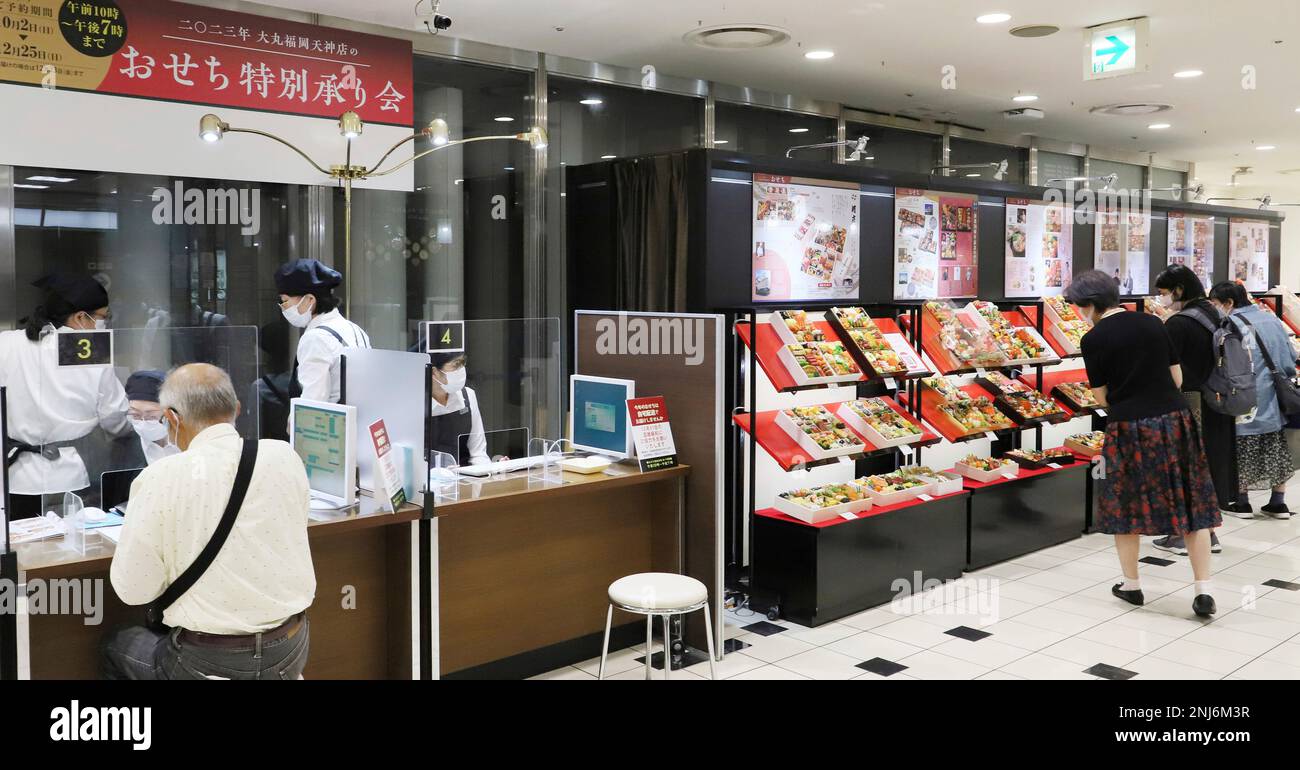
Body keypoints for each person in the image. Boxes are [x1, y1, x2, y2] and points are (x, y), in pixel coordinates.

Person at [102, 364, 315, 680]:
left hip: (206, 661)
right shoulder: (285, 456)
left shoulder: (161, 477)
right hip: (291, 647)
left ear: (172, 418)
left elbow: (134, 591)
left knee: (115, 643)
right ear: (237, 409)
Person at [1067, 270, 1220, 617]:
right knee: (1192, 502)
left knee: (1127, 505)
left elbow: (1102, 395)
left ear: (1090, 305)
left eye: (1079, 306)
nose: (1079, 311)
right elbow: (1178, 377)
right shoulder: (1154, 323)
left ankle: (1132, 585)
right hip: (1175, 419)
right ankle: (1203, 590)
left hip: (1129, 427)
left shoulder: (1093, 340)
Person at [0, 274, 130, 519]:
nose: (104, 324)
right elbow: (114, 417)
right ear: (81, 317)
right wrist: (128, 433)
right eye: (103, 317)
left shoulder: (6, 343)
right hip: (70, 477)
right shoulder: (89, 350)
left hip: (15, 479)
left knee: (23, 552)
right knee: (68, 552)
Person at [1149, 265, 1228, 554]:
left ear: (1179, 290)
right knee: (1203, 467)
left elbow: (1165, 367)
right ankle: (1208, 532)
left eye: (1164, 293)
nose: (1162, 298)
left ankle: (1181, 535)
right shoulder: (1214, 312)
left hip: (1186, 401)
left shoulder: (1178, 323)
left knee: (1183, 468)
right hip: (1216, 399)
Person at [1208, 282, 1297, 519]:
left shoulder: (1231, 324)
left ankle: (1242, 502)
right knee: (1275, 447)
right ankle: (1278, 503)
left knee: (1242, 448)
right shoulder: (1270, 319)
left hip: (1245, 398)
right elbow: (1289, 359)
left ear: (1229, 303)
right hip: (1273, 399)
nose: (1215, 309)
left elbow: (1227, 366)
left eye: (1216, 304)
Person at [274, 258, 371, 404]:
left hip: (333, 424)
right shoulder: (355, 329)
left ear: (309, 300)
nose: (283, 307)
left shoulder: (316, 338)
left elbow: (313, 402)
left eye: (285, 301)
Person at [429, 351, 490, 467]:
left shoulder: (468, 395)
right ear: (434, 371)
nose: (462, 370)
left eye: (463, 362)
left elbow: (478, 453)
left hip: (465, 478)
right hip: (430, 481)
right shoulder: (416, 404)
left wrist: (490, 471)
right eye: (456, 365)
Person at [125, 370, 180, 466]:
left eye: (151, 416)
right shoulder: (122, 451)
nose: (143, 423)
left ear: (171, 413)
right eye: (135, 415)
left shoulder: (190, 444)